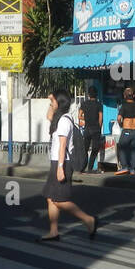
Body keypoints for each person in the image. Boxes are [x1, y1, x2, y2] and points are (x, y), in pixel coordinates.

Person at [38, 88, 97, 243]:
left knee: (59, 200)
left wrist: (60, 168)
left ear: (61, 102)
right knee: (51, 199)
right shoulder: (58, 118)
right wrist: (52, 101)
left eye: (53, 101)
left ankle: (88, 219)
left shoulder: (64, 120)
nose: (51, 104)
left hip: (62, 163)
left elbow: (62, 145)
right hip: (56, 161)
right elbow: (48, 116)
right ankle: (53, 231)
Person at [115, 87, 135, 175]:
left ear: (124, 96)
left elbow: (119, 118)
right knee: (134, 150)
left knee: (121, 147)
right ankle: (133, 169)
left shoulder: (123, 106)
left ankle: (124, 167)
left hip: (127, 130)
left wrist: (121, 125)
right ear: (134, 95)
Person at [79, 85, 103, 173]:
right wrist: (99, 127)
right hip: (96, 129)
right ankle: (90, 168)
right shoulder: (99, 104)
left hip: (87, 129)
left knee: (85, 149)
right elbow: (100, 118)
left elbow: (79, 115)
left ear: (88, 94)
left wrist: (85, 119)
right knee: (95, 149)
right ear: (96, 95)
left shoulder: (84, 104)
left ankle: (82, 167)